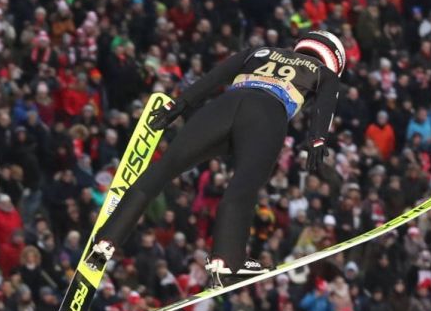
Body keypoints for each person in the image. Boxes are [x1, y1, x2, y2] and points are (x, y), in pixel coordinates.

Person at [86, 30, 346, 285]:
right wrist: (317, 138)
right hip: (267, 114)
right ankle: (226, 260)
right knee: (243, 185)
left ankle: (106, 241)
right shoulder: (323, 72)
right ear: (334, 59)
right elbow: (326, 103)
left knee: (164, 168)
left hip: (223, 106)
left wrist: (178, 105)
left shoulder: (258, 51)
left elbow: (212, 78)